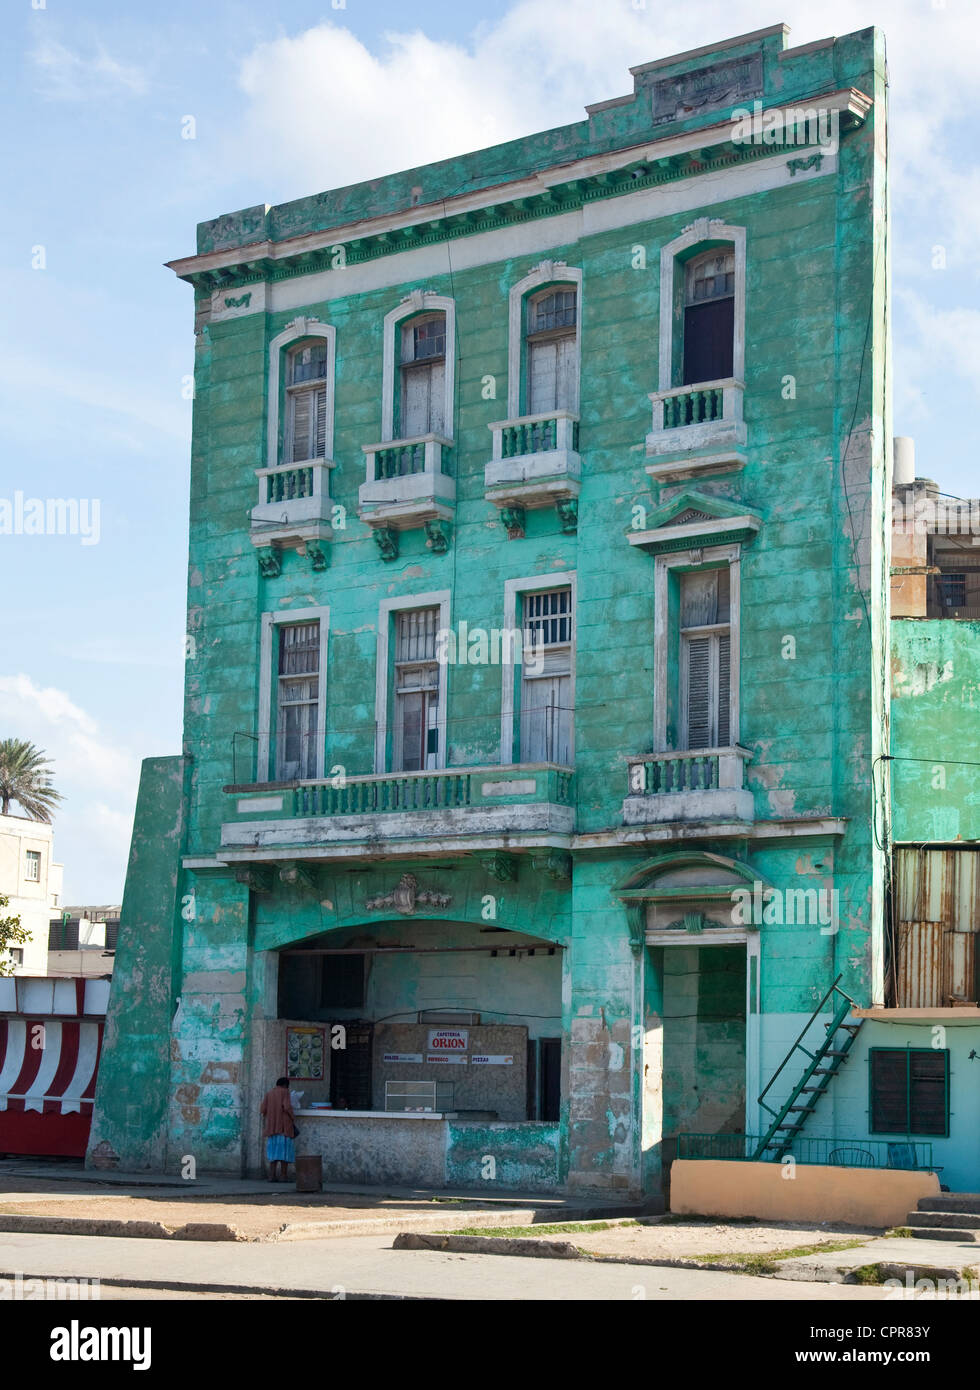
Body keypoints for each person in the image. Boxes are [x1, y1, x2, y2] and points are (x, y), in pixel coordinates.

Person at [260, 1076, 296, 1183]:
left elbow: (262, 1109)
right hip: (283, 1128)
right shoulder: (285, 1092)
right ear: (285, 1085)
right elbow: (287, 1107)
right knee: (284, 1154)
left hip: (272, 1128)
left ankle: (272, 1176)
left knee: (273, 1154)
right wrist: (293, 1117)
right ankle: (283, 1176)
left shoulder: (269, 1093)